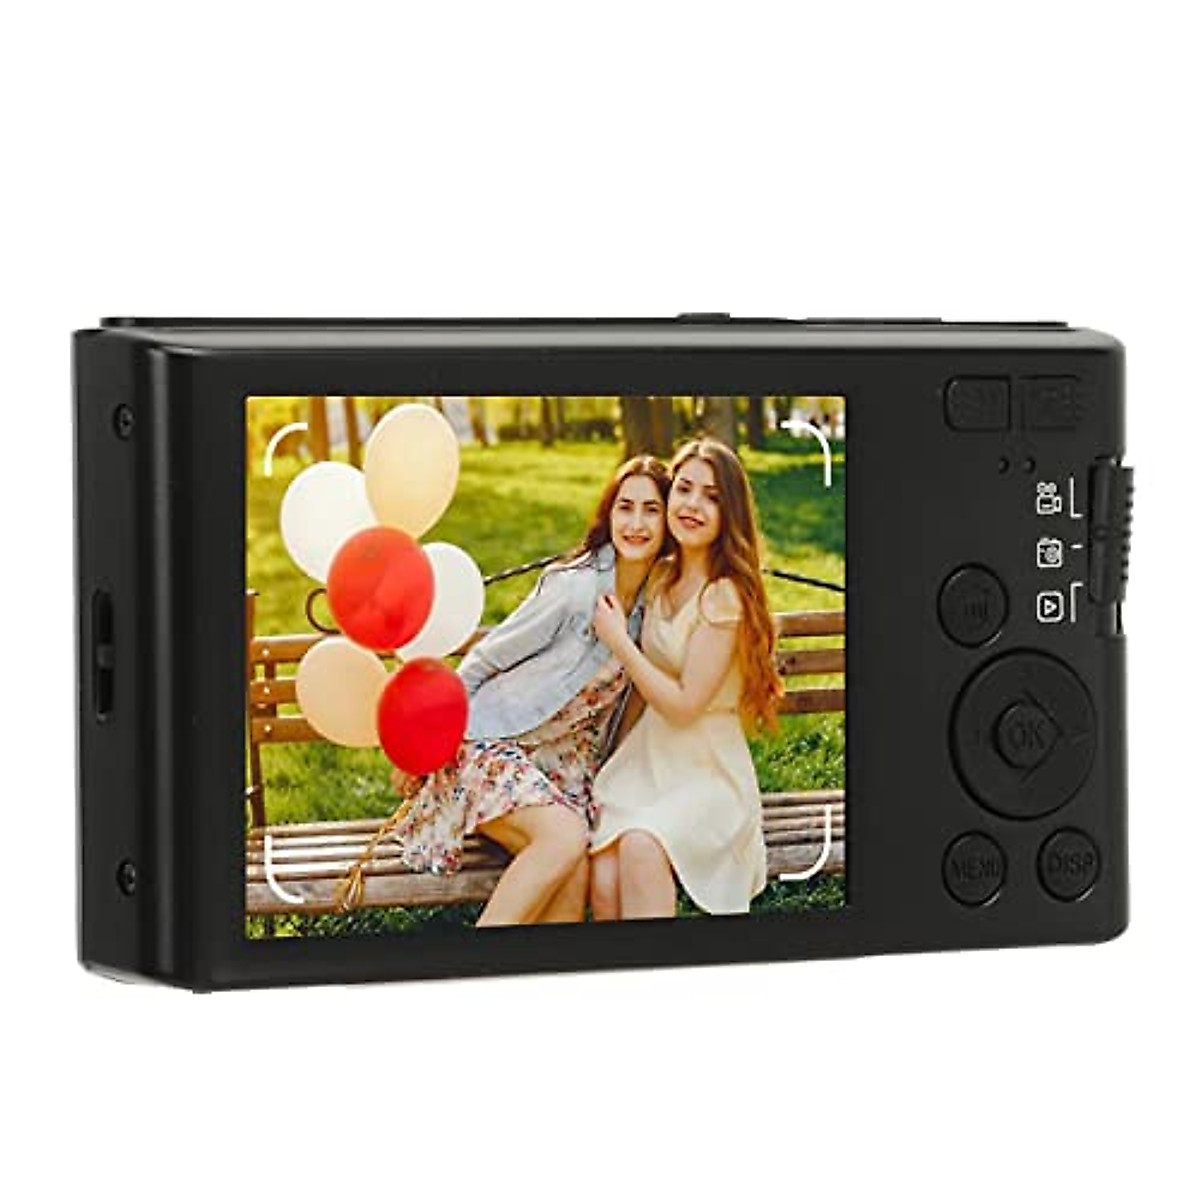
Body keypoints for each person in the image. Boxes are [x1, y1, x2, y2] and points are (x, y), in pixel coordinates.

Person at [346, 455, 672, 926]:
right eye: (626, 507)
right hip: (489, 745)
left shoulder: (651, 608)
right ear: (609, 514)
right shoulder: (575, 588)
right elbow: (484, 660)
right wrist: (428, 745)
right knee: (563, 839)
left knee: (574, 867)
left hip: (560, 764)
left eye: (651, 510)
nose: (636, 523)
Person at [589, 438, 783, 919]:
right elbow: (641, 693)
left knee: (641, 846)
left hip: (706, 771)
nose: (693, 505)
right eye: (684, 489)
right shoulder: (662, 576)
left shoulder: (724, 596)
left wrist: (620, 643)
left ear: (729, 514)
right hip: (648, 762)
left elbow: (684, 704)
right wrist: (609, 756)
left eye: (711, 497)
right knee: (604, 872)